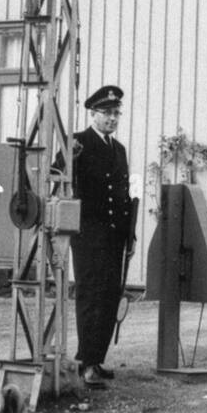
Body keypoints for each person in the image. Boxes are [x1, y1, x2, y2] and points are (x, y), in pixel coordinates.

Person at [69, 85, 132, 387]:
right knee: (90, 295)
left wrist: (128, 235)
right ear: (93, 114)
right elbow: (58, 175)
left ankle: (97, 358)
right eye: (107, 113)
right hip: (88, 235)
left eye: (116, 113)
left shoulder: (118, 150)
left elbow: (121, 195)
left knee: (109, 296)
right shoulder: (77, 143)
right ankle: (84, 362)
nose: (112, 118)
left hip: (113, 237)